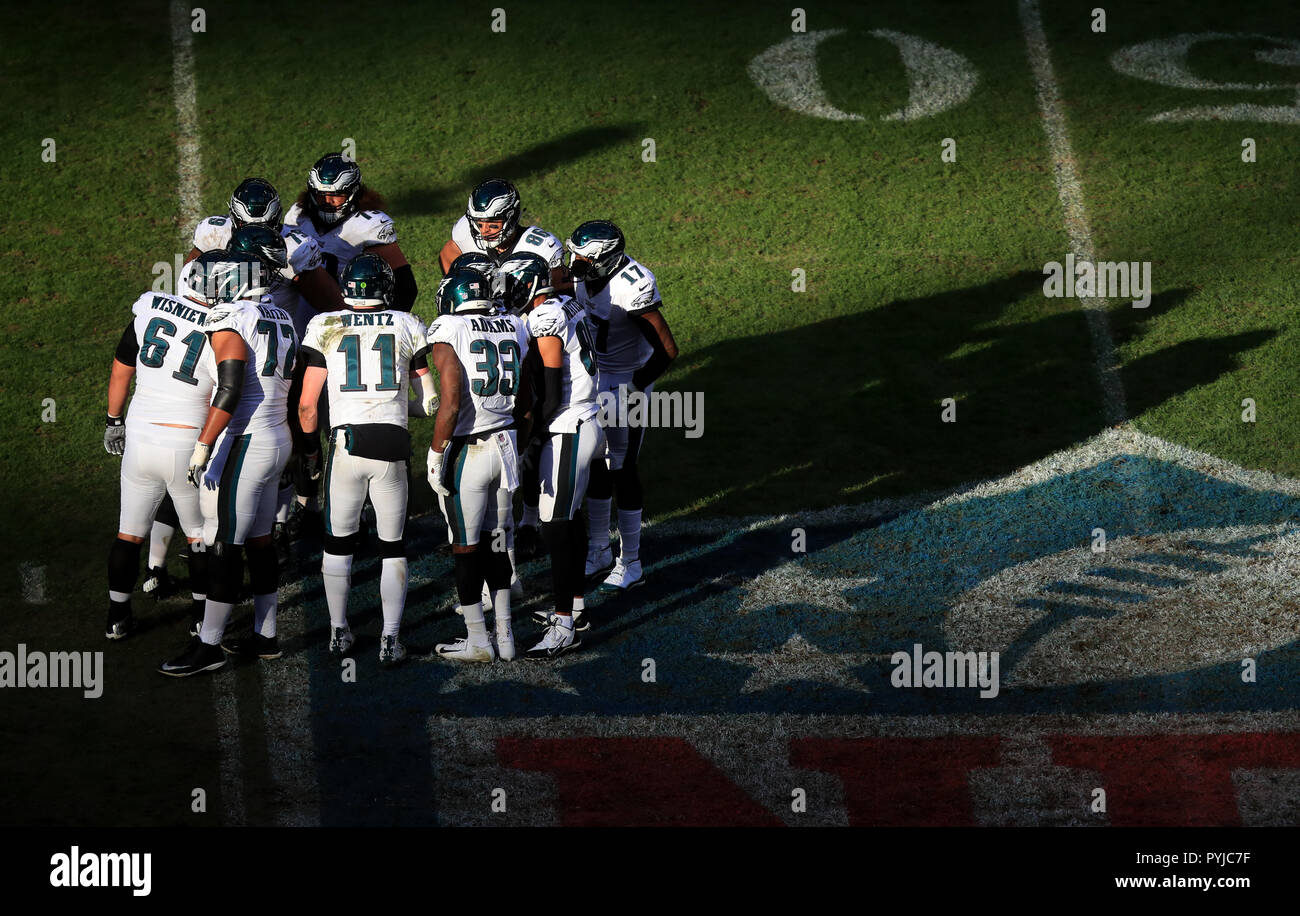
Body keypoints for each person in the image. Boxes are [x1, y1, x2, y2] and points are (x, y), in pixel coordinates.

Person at [158, 247, 298, 676]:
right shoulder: (283, 317)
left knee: (223, 543)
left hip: (246, 440)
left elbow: (230, 387)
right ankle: (266, 634)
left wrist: (204, 443)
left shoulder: (231, 318)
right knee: (259, 541)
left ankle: (210, 645)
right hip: (277, 437)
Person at [296, 253, 437, 666]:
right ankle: (390, 640)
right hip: (392, 446)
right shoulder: (408, 324)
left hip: (346, 446)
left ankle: (340, 632)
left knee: (338, 544)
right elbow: (428, 402)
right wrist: (393, 406)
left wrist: (310, 454)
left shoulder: (325, 325)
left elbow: (307, 407)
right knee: (393, 546)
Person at [104, 264, 217, 639]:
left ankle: (117, 617)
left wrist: (113, 421)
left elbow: (122, 370)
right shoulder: (223, 325)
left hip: (140, 437)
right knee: (199, 536)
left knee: (128, 533)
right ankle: (202, 618)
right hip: (187, 443)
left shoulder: (151, 308)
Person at [499, 253, 603, 656]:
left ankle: (564, 626)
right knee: (568, 522)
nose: (505, 294)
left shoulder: (545, 318)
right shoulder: (564, 303)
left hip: (567, 426)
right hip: (584, 420)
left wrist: (528, 436)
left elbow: (553, 390)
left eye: (511, 285)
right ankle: (575, 607)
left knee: (556, 525)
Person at [567, 220, 678, 590]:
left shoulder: (634, 285)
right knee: (595, 465)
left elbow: (667, 350)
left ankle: (631, 562)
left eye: (584, 258)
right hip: (591, 380)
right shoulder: (585, 274)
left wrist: (634, 388)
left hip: (625, 380)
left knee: (623, 469)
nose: (576, 263)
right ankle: (599, 549)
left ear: (605, 259)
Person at [426, 269, 530, 663]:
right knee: (497, 541)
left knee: (466, 548)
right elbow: (528, 395)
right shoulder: (515, 325)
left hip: (469, 449)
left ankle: (478, 641)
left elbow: (451, 400)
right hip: (506, 444)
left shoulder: (449, 327)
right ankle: (506, 637)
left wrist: (437, 452)